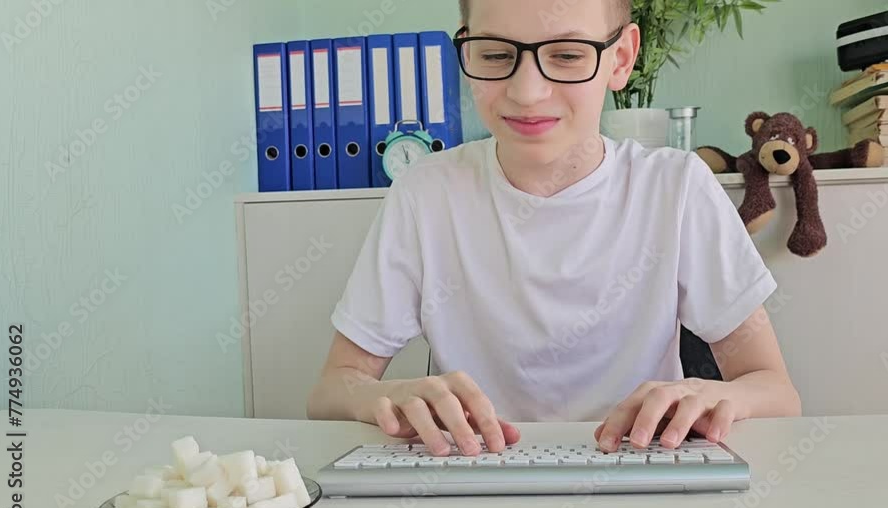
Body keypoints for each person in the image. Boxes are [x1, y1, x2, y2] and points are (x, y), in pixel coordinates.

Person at [306, 0, 801, 456]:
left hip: (637, 470)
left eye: (566, 55)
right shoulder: (425, 193)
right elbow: (330, 392)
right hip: (473, 475)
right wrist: (382, 396)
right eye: (496, 55)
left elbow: (776, 390)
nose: (527, 92)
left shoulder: (677, 187)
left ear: (621, 59)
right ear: (468, 49)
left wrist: (712, 395)